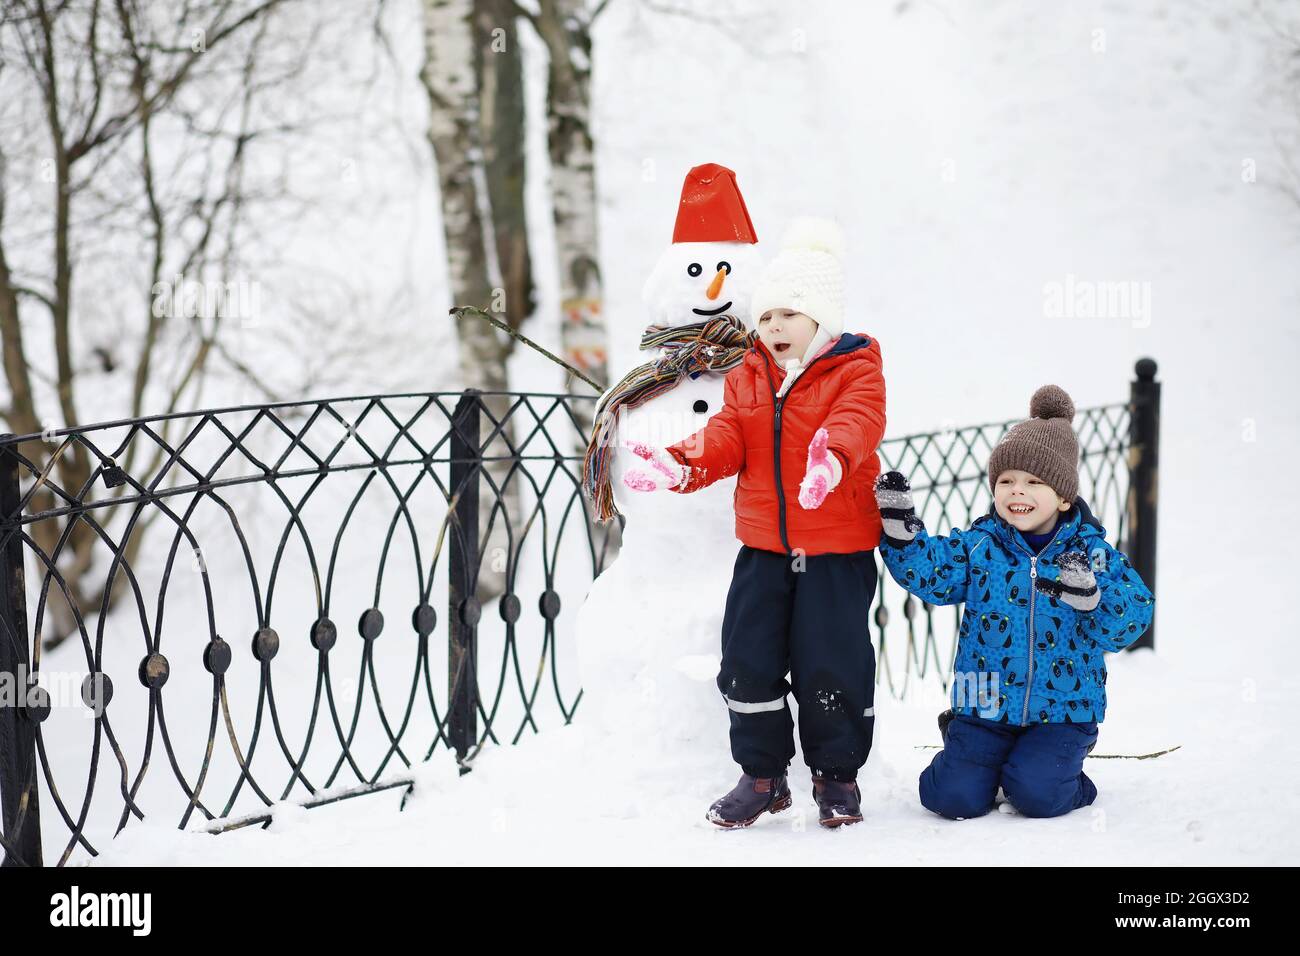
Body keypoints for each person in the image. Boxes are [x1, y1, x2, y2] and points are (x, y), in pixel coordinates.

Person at [622, 217, 886, 827]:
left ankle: (836, 776)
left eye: (788, 315)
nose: (773, 328)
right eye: (765, 317)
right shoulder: (748, 375)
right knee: (746, 658)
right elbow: (726, 437)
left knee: (832, 662)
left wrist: (832, 461)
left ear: (821, 319)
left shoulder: (857, 369)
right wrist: (678, 463)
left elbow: (857, 422)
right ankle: (763, 776)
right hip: (765, 547)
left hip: (836, 549)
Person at [873, 384, 1154, 820]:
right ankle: (968, 752)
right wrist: (903, 538)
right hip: (984, 701)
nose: (1016, 491)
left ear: (1063, 496)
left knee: (1039, 795)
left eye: (1033, 482)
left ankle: (1068, 780)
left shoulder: (1091, 554)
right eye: (1006, 481)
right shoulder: (981, 545)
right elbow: (935, 573)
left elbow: (1134, 615)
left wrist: (1094, 601)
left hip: (1064, 708)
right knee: (951, 798)